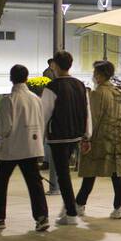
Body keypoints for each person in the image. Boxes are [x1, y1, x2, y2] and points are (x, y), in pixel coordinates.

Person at [0, 64, 49, 232]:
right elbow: (42, 122)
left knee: (0, 183)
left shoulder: (9, 99)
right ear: (26, 78)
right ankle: (42, 217)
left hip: (11, 149)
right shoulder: (36, 98)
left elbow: (3, 128)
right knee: (35, 184)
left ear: (11, 78)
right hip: (31, 147)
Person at [40, 50, 91, 226]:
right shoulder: (80, 85)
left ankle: (70, 212)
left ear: (54, 65)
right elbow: (87, 112)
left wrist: (39, 137)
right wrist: (86, 135)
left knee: (63, 175)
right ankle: (68, 209)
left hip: (58, 135)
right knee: (64, 174)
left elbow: (43, 114)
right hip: (75, 134)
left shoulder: (52, 87)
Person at [76, 61, 121, 219]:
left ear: (99, 75)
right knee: (117, 174)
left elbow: (93, 118)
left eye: (95, 72)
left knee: (90, 171)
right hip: (117, 138)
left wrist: (86, 138)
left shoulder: (98, 93)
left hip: (100, 139)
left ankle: (79, 204)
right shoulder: (118, 92)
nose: (94, 75)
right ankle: (118, 207)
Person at [41, 57, 61, 195]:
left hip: (56, 131)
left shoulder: (53, 85)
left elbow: (45, 112)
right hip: (62, 131)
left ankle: (56, 188)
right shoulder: (48, 74)